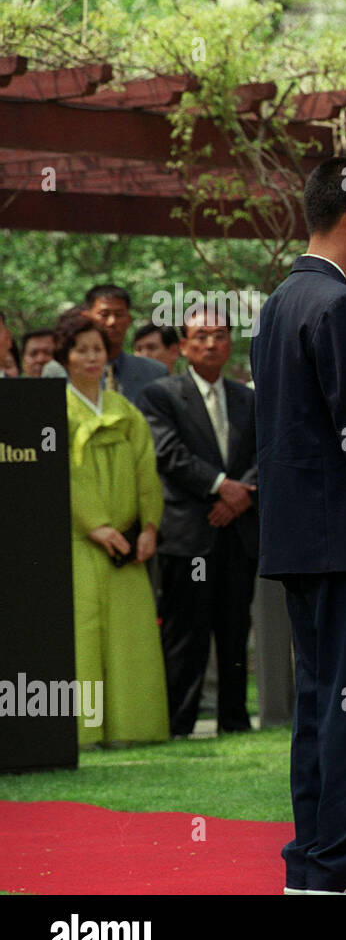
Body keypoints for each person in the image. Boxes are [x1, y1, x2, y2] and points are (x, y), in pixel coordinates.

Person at [250, 155, 346, 895]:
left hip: (295, 537)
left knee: (320, 700)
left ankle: (314, 856)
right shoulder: (340, 305)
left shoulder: (279, 300)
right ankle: (340, 860)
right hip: (345, 541)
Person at [137, 311, 258, 736]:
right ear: (184, 346)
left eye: (220, 336)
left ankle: (235, 720)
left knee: (234, 629)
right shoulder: (161, 395)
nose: (211, 343)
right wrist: (222, 486)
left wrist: (242, 495)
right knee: (186, 634)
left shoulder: (248, 398)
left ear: (230, 344)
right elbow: (168, 454)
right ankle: (179, 722)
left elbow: (268, 454)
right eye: (201, 336)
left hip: (239, 533)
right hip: (189, 534)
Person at [57, 311, 169, 747]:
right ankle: (84, 731)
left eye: (97, 349)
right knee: (84, 635)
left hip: (128, 544)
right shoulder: (57, 410)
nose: (90, 357)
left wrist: (149, 528)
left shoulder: (125, 410)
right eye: (80, 349)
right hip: (81, 543)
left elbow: (147, 472)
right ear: (66, 357)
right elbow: (64, 476)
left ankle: (135, 728)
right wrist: (94, 526)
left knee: (131, 637)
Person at [44, 287, 168, 405]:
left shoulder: (155, 372)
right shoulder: (56, 372)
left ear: (128, 319)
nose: (112, 322)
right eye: (104, 314)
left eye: (119, 315)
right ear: (87, 317)